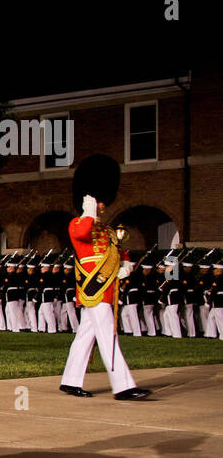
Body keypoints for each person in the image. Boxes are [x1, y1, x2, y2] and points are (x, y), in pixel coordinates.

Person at [59, 154, 149, 400]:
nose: (102, 206)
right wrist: (87, 210)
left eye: (101, 202)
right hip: (93, 287)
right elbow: (84, 232)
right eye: (98, 202)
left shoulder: (108, 230)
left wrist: (126, 266)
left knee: (86, 334)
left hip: (107, 286)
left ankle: (70, 380)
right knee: (108, 334)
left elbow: (120, 251)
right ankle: (123, 386)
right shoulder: (77, 223)